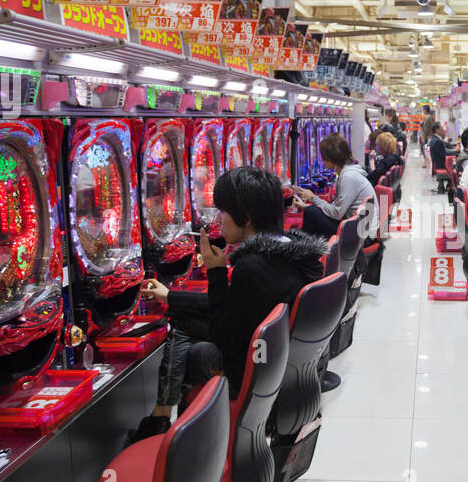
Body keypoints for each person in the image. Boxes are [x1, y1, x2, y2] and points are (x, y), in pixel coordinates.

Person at [134, 166, 327, 441]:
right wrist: (170, 297)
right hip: (281, 366)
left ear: (245, 218)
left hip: (252, 372)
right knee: (183, 318)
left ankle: (178, 428)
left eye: (222, 211)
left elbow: (223, 333)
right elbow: (236, 305)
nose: (218, 219)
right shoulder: (292, 254)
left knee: (191, 344)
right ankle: (164, 418)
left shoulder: (252, 268)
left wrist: (215, 272)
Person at [295, 133, 376, 238]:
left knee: (311, 213)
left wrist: (312, 198)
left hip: (362, 236)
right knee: (311, 211)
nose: (321, 159)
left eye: (323, 156)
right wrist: (305, 205)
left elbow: (336, 213)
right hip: (360, 229)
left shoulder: (348, 177)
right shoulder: (349, 172)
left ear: (331, 157)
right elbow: (336, 209)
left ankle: (306, 251)